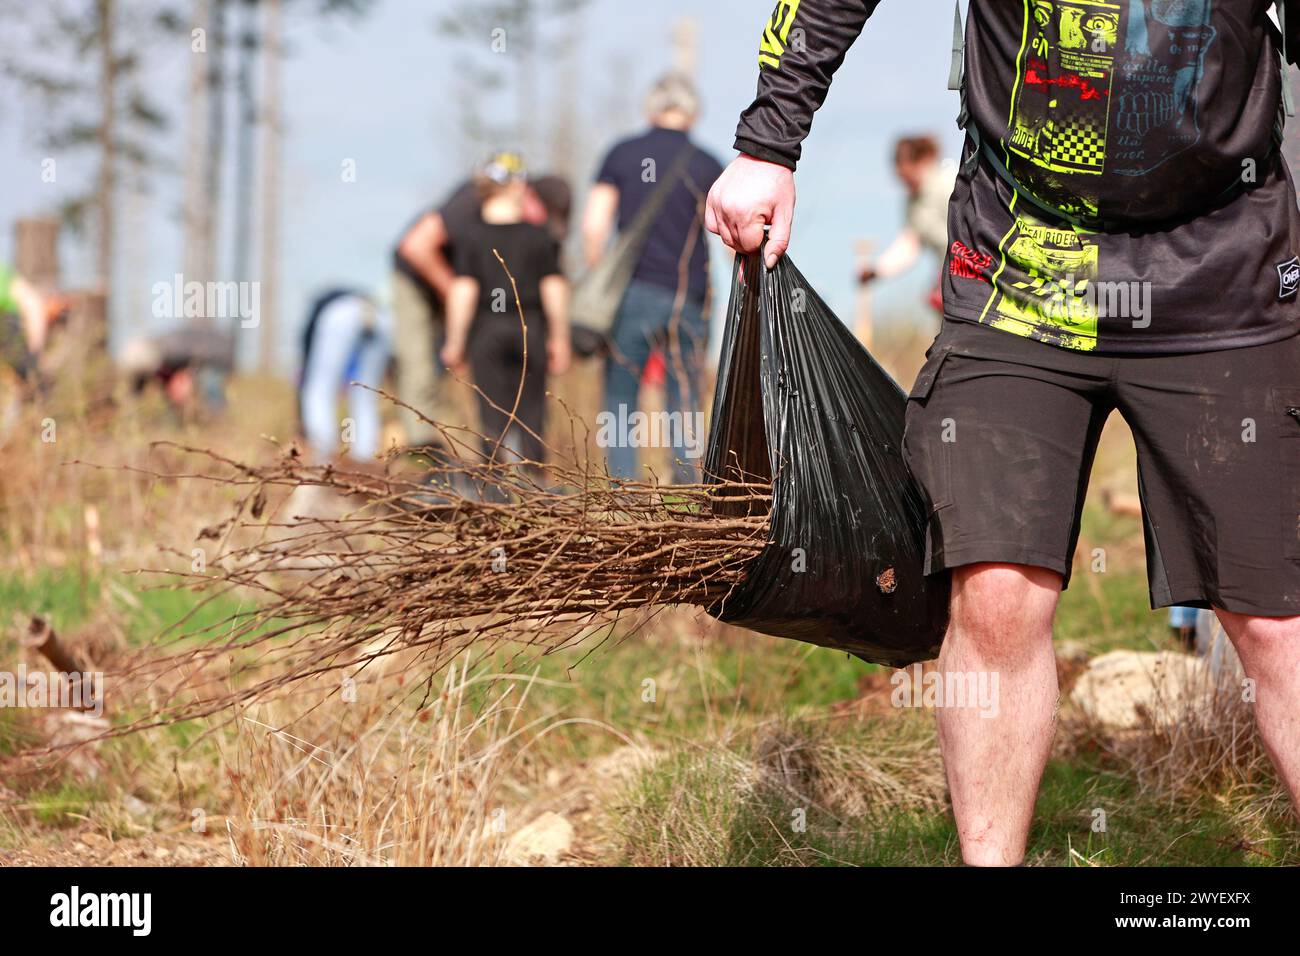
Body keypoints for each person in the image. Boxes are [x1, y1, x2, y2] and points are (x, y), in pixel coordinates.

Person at [706, 0, 1300, 865]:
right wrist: (768, 142)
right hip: (1016, 274)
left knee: (1276, 619)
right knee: (993, 595)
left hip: (1224, 279)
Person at [583, 72, 724, 484]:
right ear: (694, 113)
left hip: (632, 294)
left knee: (621, 399)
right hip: (691, 296)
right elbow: (730, 236)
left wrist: (599, 281)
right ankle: (686, 491)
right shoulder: (708, 163)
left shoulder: (622, 155)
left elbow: (594, 226)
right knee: (685, 397)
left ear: (650, 109)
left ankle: (622, 494)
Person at [391, 166, 571, 450]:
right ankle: (426, 452)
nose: (544, 224)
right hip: (418, 278)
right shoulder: (470, 206)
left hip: (479, 308)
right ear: (528, 194)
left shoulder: (522, 231)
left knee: (501, 405)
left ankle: (486, 466)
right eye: (545, 215)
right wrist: (461, 311)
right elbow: (415, 247)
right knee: (421, 366)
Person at [440, 154, 571, 472]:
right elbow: (553, 288)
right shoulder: (540, 235)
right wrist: (560, 337)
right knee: (533, 414)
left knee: (491, 413)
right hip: (531, 327)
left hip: (487, 329)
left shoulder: (470, 235)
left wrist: (454, 340)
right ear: (520, 186)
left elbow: (464, 290)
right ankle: (535, 489)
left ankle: (494, 488)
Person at [857, 135, 958, 319]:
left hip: (973, 275)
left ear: (921, 162)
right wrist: (877, 271)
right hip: (949, 281)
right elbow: (909, 244)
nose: (904, 182)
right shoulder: (912, 201)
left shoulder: (950, 184)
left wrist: (952, 278)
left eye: (906, 173)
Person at [297, 288, 393, 464]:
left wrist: (300, 426)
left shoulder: (320, 316)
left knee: (319, 391)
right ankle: (364, 463)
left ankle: (322, 462)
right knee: (365, 395)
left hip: (340, 315)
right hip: (379, 315)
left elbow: (307, 377)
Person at [118, 322, 234, 421]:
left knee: (209, 382)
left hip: (214, 356)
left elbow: (192, 365)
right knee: (174, 396)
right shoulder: (150, 362)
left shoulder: (173, 352)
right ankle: (178, 422)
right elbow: (137, 391)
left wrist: (186, 380)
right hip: (201, 356)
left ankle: (218, 421)